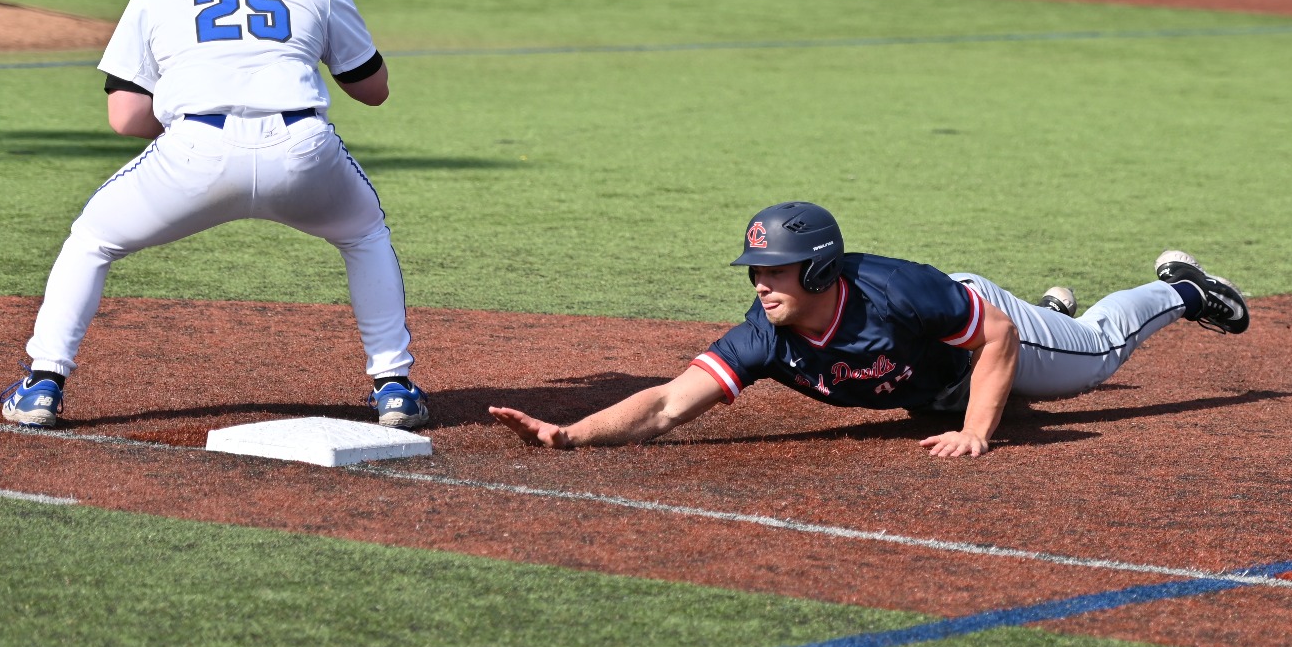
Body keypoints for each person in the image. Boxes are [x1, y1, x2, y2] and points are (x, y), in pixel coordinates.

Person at [0, 0, 427, 431]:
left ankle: (42, 384)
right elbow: (372, 90)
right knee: (364, 233)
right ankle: (395, 388)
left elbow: (125, 117)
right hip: (301, 147)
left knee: (93, 241)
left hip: (194, 152)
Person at [489, 202, 1249, 459]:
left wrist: (979, 432)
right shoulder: (766, 336)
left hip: (981, 331)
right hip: (944, 368)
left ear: (819, 272)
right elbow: (664, 404)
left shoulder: (894, 290)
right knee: (969, 389)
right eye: (756, 271)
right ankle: (1054, 308)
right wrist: (569, 435)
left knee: (1093, 360)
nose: (760, 284)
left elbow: (996, 345)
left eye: (775, 271)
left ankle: (1179, 289)